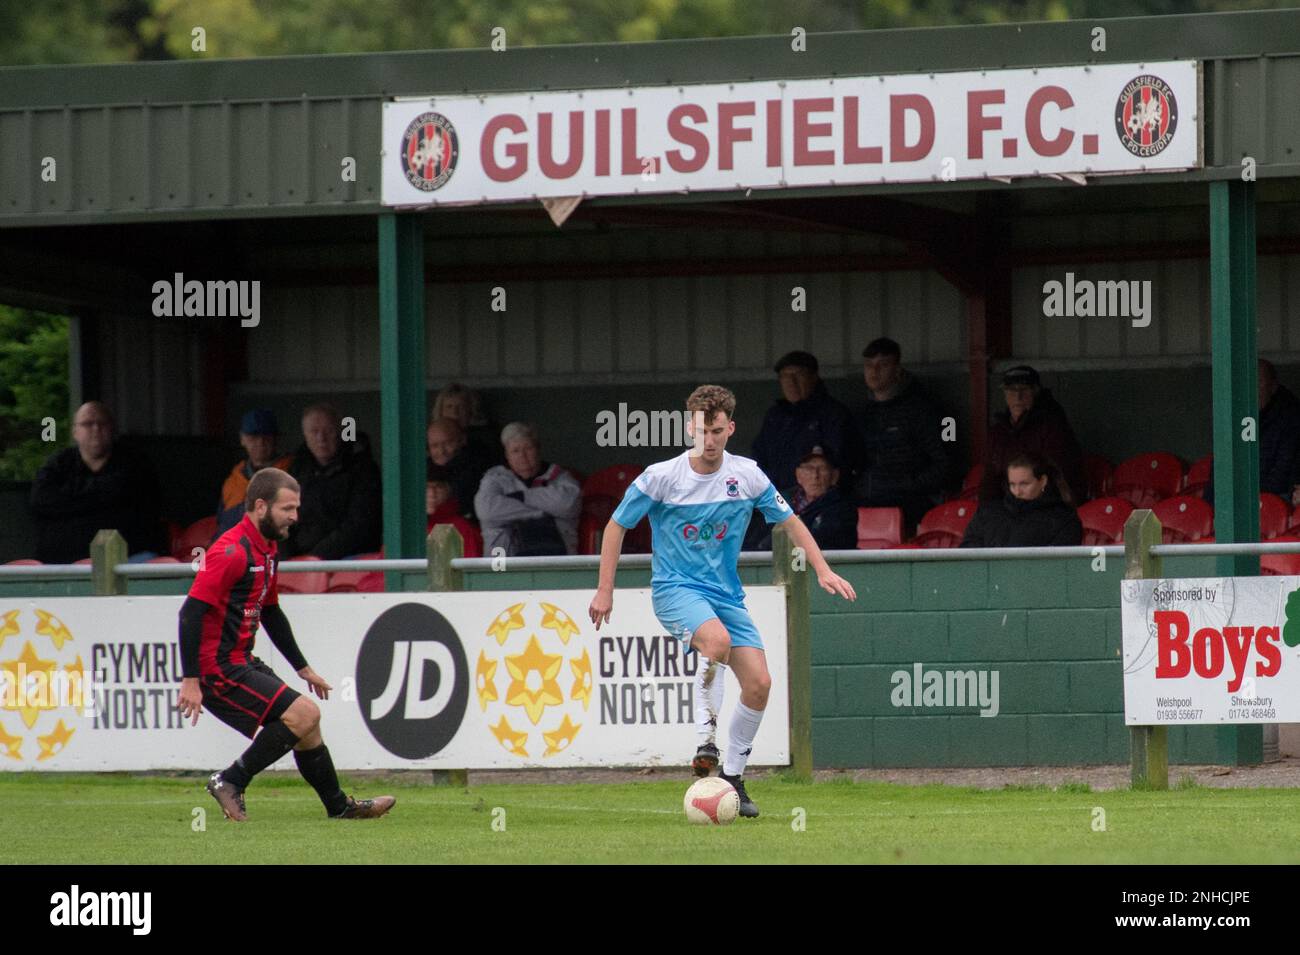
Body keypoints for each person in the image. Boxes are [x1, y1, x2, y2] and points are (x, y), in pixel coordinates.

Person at [589, 385, 857, 818]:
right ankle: (705, 741)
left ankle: (731, 778)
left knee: (760, 684)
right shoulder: (662, 477)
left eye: (716, 431)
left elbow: (791, 522)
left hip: (725, 595)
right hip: (676, 590)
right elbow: (616, 526)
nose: (708, 440)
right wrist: (605, 589)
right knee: (717, 643)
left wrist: (823, 569)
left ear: (730, 428)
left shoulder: (748, 475)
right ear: (688, 428)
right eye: (701, 431)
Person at [176, 467, 394, 821]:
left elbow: (271, 612)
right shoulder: (230, 551)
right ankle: (230, 780)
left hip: (239, 660)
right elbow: (189, 614)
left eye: (296, 508)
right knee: (305, 714)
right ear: (260, 506)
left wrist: (302, 667)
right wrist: (191, 679)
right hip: (216, 668)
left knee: (308, 725)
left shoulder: (268, 548)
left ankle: (338, 808)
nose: (295, 516)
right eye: (287, 508)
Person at [29, 401, 163, 563]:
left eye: (102, 423)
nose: (95, 429)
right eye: (87, 424)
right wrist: (101, 498)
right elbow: (40, 500)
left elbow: (125, 494)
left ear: (112, 428)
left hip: (130, 559)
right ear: (75, 431)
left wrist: (69, 500)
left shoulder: (135, 462)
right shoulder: (58, 464)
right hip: (63, 564)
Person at [854, 337, 951, 528]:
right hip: (867, 503)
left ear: (897, 370)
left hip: (912, 504)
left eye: (883, 364)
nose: (874, 371)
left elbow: (944, 464)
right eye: (869, 365)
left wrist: (909, 485)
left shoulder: (923, 410)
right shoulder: (861, 414)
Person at [751, 351, 863, 493]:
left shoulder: (834, 414)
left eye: (798, 374)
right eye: (785, 376)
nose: (791, 381)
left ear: (814, 377)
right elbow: (759, 457)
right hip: (778, 500)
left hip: (821, 502)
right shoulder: (775, 416)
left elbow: (843, 462)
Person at [282, 402, 382, 559]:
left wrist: (315, 559)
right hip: (298, 563)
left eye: (328, 431)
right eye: (314, 431)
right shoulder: (295, 470)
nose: (321, 438)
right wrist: (287, 561)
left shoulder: (363, 469)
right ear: (305, 434)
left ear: (341, 432)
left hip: (348, 560)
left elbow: (359, 526)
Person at [979, 365, 1086, 505]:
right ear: (1005, 394)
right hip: (1007, 511)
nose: (1018, 397)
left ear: (1035, 391)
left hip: (1046, 510)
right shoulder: (998, 432)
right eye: (1012, 390)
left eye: (1024, 389)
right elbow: (990, 481)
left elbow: (1061, 479)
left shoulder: (1053, 426)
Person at [475, 422, 582, 556]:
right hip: (503, 563)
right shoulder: (494, 479)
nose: (523, 456)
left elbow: (568, 505)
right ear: (507, 456)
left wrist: (522, 497)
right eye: (515, 451)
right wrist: (543, 512)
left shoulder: (560, 477)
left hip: (556, 559)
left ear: (538, 449)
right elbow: (487, 510)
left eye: (528, 448)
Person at [1211, 359, 1300, 506]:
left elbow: (1281, 475)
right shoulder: (1235, 414)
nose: (1251, 390)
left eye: (1258, 382)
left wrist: (1247, 503)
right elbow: (1220, 467)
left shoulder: (1291, 416)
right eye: (1245, 383)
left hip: (1277, 498)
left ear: (1273, 386)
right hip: (1244, 501)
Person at [744, 445, 857, 551]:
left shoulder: (844, 509)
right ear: (798, 475)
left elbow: (829, 542)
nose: (815, 476)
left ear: (834, 476)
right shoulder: (778, 501)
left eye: (822, 469)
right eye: (809, 468)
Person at [961, 454, 1082, 548]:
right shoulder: (987, 513)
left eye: (1024, 484)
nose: (1017, 492)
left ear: (1043, 481)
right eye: (1012, 484)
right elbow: (968, 553)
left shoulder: (1064, 520)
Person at [216, 409, 293, 535]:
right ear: (242, 439)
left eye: (266, 436)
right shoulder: (233, 479)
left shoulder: (293, 472)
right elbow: (221, 524)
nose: (260, 442)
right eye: (253, 436)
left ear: (276, 439)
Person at [427, 416, 492, 522]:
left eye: (447, 443)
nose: (441, 451)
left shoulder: (479, 463)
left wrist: (448, 490)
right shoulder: (423, 470)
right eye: (434, 446)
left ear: (462, 440)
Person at [431, 382, 501, 467]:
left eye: (461, 407)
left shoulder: (486, 437)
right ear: (440, 411)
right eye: (449, 407)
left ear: (470, 410)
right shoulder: (431, 435)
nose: (454, 412)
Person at [427, 478, 484, 557]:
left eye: (439, 487)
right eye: (426, 487)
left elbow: (469, 566)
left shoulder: (462, 528)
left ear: (447, 491)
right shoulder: (408, 525)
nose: (432, 494)